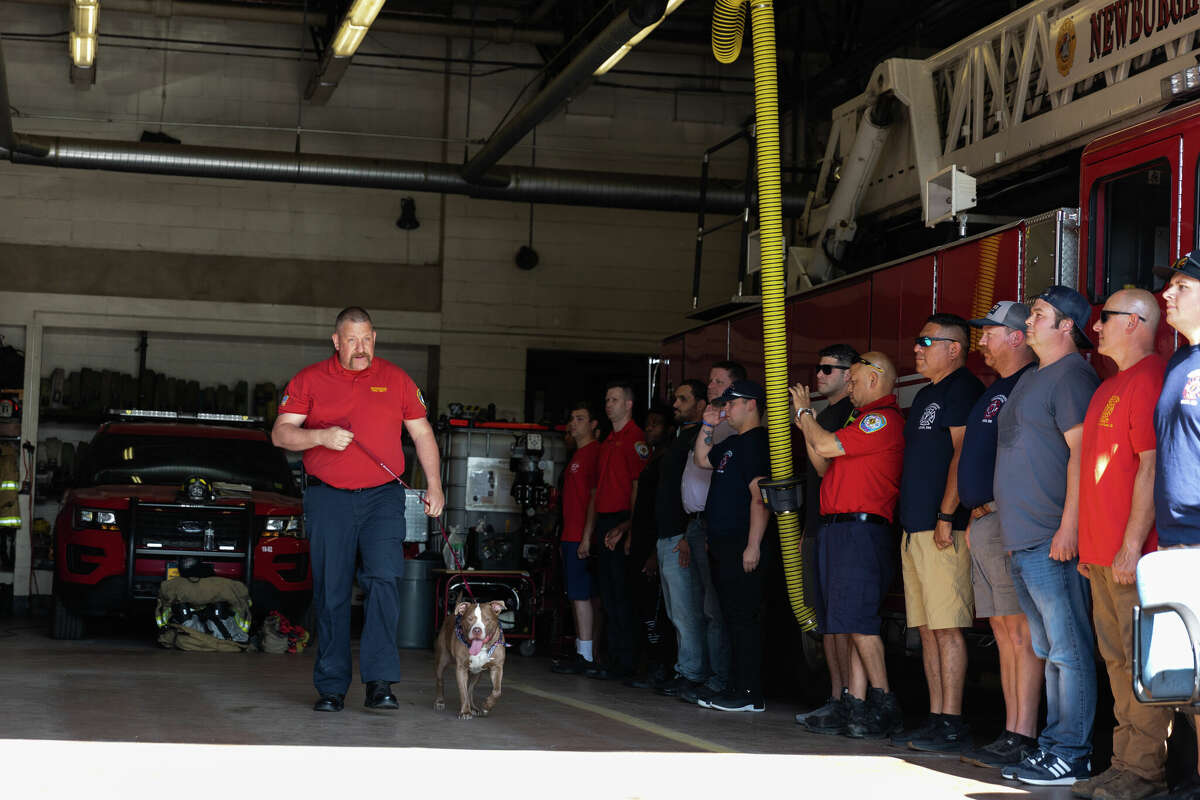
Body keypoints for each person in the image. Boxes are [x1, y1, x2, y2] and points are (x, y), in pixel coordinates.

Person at [271, 306, 444, 713]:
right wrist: (320, 436)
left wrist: (434, 485)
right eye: (352, 340)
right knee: (331, 590)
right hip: (328, 497)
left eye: (366, 339)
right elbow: (280, 433)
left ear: (375, 338)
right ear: (336, 341)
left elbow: (421, 432)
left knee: (384, 580)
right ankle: (331, 686)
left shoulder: (396, 379)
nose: (360, 348)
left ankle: (380, 682)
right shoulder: (310, 379)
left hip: (383, 497)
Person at [995, 285, 1100, 786]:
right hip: (1023, 538)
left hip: (1049, 538)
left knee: (1067, 648)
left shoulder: (1074, 377)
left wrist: (1069, 528)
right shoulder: (1034, 376)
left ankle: (1072, 752)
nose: (1029, 321)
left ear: (1066, 327)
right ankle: (1054, 746)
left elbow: (1083, 458)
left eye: (1038, 314)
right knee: (1048, 647)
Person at [1072, 289, 1170, 800]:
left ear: (1135, 322)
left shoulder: (1151, 379)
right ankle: (1122, 763)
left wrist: (1131, 545)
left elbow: (1151, 467)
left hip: (1129, 557)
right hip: (1101, 555)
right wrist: (1092, 549)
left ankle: (1143, 771)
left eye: (1105, 317)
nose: (1097, 325)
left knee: (1139, 664)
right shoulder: (1110, 384)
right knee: (1116, 661)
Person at [791, 351, 905, 738]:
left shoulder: (880, 419)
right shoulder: (857, 422)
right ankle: (855, 703)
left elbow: (825, 449)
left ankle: (883, 702)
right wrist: (808, 427)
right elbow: (823, 464)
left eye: (854, 381)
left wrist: (807, 416)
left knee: (860, 622)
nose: (850, 388)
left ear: (874, 380)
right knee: (845, 620)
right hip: (839, 529)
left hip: (860, 530)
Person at [955, 301, 1042, 770]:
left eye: (989, 331)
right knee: (1003, 630)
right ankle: (1011, 729)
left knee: (1022, 631)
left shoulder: (1030, 384)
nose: (981, 338)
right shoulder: (997, 389)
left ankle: (1023, 733)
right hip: (986, 520)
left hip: (1012, 519)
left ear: (1016, 337)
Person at [894, 314, 984, 752]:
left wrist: (948, 514)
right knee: (927, 629)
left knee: (948, 628)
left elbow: (963, 454)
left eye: (925, 340)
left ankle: (953, 722)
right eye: (917, 340)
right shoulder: (928, 393)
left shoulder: (962, 387)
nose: (917, 348)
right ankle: (935, 718)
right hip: (916, 528)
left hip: (942, 528)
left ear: (955, 347)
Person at [793, 343, 864, 733]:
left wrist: (805, 418)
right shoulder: (827, 414)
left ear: (848, 373)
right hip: (821, 528)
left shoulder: (851, 415)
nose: (818, 376)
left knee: (843, 621)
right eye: (817, 369)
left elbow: (822, 464)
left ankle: (848, 699)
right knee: (827, 621)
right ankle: (836, 697)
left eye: (826, 370)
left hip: (847, 528)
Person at [1149, 251, 1200, 800]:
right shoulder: (1179, 363)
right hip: (1177, 540)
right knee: (1188, 676)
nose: (1168, 295)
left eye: (1182, 286)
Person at [692, 379, 771, 712]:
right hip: (724, 545)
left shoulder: (756, 442)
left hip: (742, 544)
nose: (726, 409)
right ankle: (737, 687)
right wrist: (708, 425)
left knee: (744, 619)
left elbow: (760, 497)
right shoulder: (733, 443)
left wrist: (753, 546)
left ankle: (750, 693)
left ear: (751, 404)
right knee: (730, 618)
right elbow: (700, 459)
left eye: (731, 403)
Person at [676, 362, 743, 705]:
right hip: (698, 523)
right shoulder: (711, 421)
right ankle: (705, 675)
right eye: (711, 378)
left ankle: (721, 680)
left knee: (716, 608)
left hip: (717, 524)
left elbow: (708, 466)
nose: (712, 384)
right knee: (701, 607)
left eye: (719, 381)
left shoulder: (731, 426)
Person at [653, 379, 714, 698]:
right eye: (675, 398)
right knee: (677, 612)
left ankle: (693, 673)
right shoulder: (680, 437)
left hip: (680, 536)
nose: (675, 404)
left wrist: (687, 534)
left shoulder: (700, 438)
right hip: (669, 535)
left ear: (702, 405)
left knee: (688, 610)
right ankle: (685, 668)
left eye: (683, 399)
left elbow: (699, 493)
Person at [585, 380, 649, 680]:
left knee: (623, 594)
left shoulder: (636, 439)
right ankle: (613, 659)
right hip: (605, 521)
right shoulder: (608, 441)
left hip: (623, 521)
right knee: (608, 594)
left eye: (614, 400)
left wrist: (629, 527)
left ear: (628, 404)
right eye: (607, 400)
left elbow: (639, 487)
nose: (609, 404)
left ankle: (627, 662)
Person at [551, 401, 603, 675]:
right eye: (572, 418)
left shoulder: (594, 453)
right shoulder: (578, 454)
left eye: (580, 418)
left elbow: (595, 497)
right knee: (582, 596)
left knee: (582, 596)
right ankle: (589, 653)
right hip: (570, 536)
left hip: (580, 537)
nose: (574, 423)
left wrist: (585, 537)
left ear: (594, 424)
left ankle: (586, 656)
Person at [626, 406, 676, 688]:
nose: (650, 428)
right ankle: (649, 663)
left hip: (655, 543)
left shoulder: (667, 459)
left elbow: (664, 508)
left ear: (669, 429)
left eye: (656, 424)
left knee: (656, 610)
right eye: (648, 424)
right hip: (643, 537)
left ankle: (661, 666)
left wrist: (654, 553)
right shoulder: (652, 458)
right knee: (643, 606)